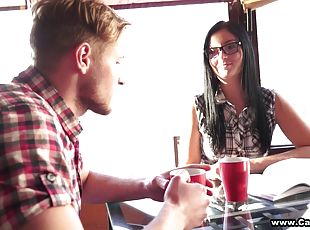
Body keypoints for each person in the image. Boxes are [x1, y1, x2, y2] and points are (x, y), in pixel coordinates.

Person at [0, 0, 213, 229]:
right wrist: (178, 213)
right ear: (83, 57)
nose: (121, 78)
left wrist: (147, 185)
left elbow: (83, 180)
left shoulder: (35, 111)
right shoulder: (28, 121)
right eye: (117, 61)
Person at [186, 20, 310, 173]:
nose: (222, 56)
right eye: (213, 51)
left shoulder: (270, 100)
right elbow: (188, 169)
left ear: (245, 48)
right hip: (215, 195)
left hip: (261, 194)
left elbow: (308, 148)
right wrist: (212, 174)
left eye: (230, 47)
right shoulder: (200, 105)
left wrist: (256, 164)